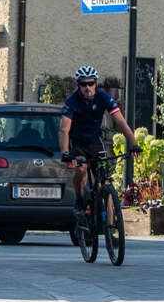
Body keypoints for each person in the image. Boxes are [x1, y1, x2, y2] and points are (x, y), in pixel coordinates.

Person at [58, 66, 138, 229]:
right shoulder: (72, 101)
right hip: (78, 142)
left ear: (96, 84)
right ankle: (79, 201)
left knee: (106, 183)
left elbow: (121, 122)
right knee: (81, 169)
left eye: (91, 83)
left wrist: (134, 145)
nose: (87, 87)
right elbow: (64, 129)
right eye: (83, 84)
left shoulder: (103, 97)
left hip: (95, 141)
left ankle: (110, 228)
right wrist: (65, 152)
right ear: (78, 85)